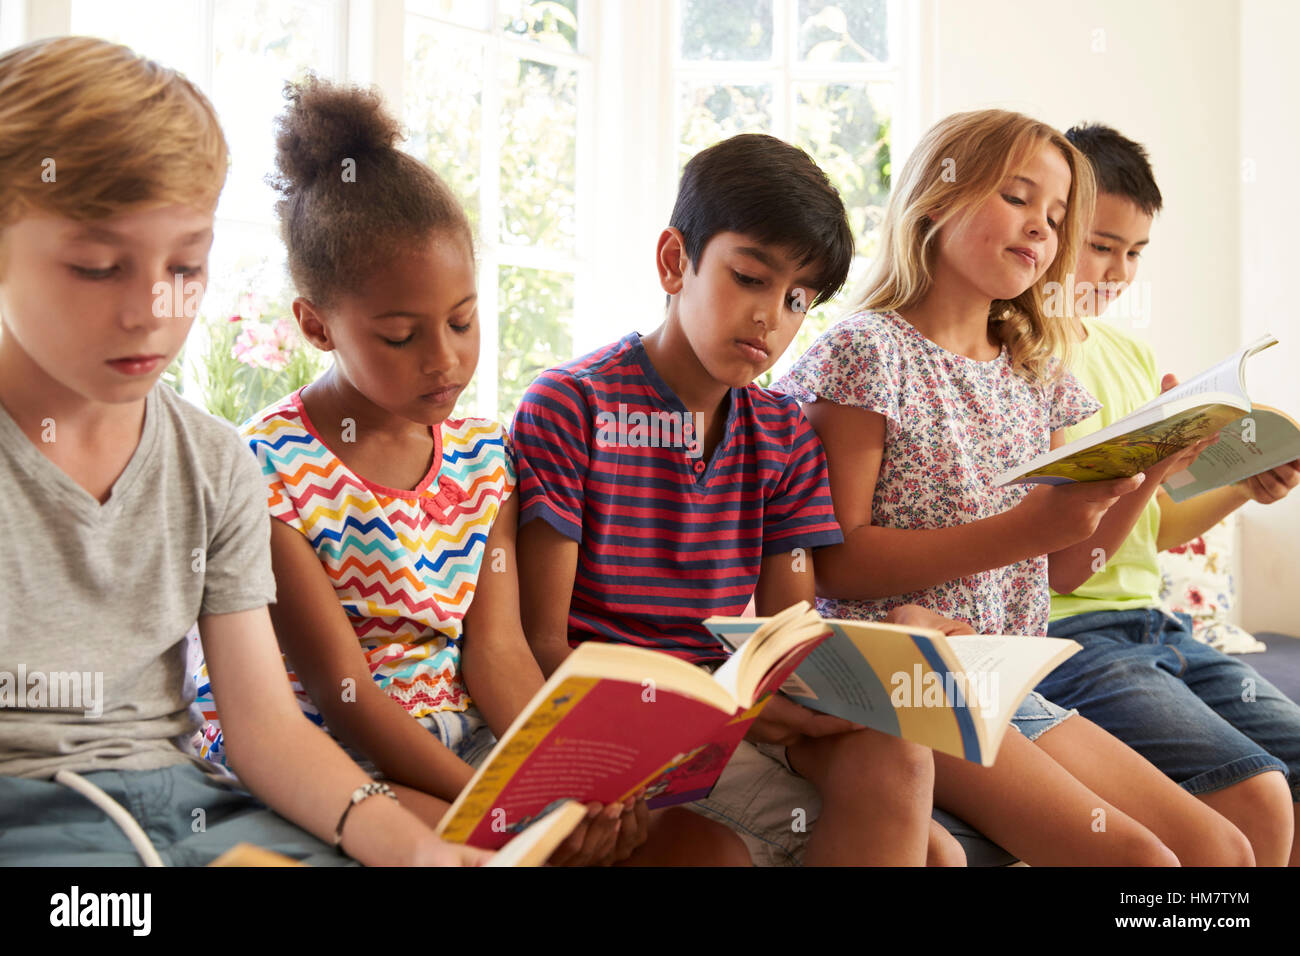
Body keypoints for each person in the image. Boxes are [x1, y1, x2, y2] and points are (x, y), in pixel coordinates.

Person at [219, 75, 745, 865]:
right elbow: (343, 692)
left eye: (463, 320)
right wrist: (503, 815)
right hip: (342, 759)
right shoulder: (267, 468)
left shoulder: (480, 453)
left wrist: (568, 780)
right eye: (400, 336)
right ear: (315, 325)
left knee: (711, 854)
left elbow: (495, 651)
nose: (445, 359)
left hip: (471, 742)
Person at [0, 37, 484, 866]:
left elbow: (264, 729)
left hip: (188, 804)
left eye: (186, 264)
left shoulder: (215, 461)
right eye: (96, 267)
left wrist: (415, 851)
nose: (152, 308)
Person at [777, 109, 1253, 865]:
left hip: (1008, 678)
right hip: (908, 679)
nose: (1041, 228)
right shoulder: (866, 351)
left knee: (1219, 850)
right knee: (1145, 864)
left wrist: (1156, 462)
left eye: (1058, 217)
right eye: (1018, 198)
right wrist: (1023, 531)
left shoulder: (1038, 374)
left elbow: (1067, 565)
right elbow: (836, 561)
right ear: (936, 199)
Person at [512, 132, 965, 866]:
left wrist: (894, 645)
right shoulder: (572, 406)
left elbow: (786, 632)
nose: (771, 318)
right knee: (712, 856)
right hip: (615, 732)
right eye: (750, 278)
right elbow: (537, 643)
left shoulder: (782, 430)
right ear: (673, 262)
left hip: (727, 722)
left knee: (927, 819)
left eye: (796, 300)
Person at [1036, 122, 1300, 866]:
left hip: (1150, 624)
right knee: (1258, 792)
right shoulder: (1020, 354)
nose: (1117, 272)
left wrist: (1245, 487)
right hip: (1068, 630)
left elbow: (1158, 522)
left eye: (1134, 253)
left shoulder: (1130, 351)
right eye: (1101, 245)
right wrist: (1152, 463)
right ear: (1054, 225)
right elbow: (1072, 557)